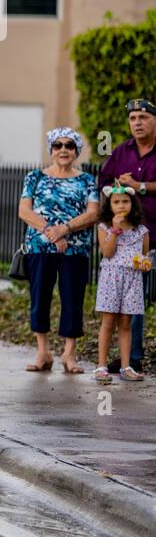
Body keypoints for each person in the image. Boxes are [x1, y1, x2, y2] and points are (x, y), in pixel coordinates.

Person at [19, 127, 99, 374]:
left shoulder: (87, 180)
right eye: (58, 145)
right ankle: (43, 353)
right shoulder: (35, 177)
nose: (63, 150)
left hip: (75, 251)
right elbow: (24, 212)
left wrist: (64, 229)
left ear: (76, 151)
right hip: (40, 247)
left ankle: (68, 354)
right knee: (40, 298)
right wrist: (51, 232)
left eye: (69, 145)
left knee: (73, 300)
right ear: (51, 150)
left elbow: (94, 213)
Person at [98, 98, 156, 374]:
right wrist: (120, 187)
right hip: (130, 241)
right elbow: (104, 182)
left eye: (143, 118)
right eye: (133, 118)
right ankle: (130, 359)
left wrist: (140, 186)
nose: (137, 123)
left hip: (151, 231)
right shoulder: (122, 151)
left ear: (153, 120)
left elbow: (138, 186)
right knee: (132, 299)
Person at [93, 184, 150, 383]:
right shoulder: (104, 228)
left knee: (126, 324)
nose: (121, 205)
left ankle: (126, 367)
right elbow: (108, 253)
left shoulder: (141, 230)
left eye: (125, 201)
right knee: (108, 322)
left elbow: (143, 256)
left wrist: (145, 265)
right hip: (111, 279)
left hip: (132, 280)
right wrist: (115, 231)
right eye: (116, 202)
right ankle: (101, 366)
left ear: (132, 204)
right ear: (109, 206)